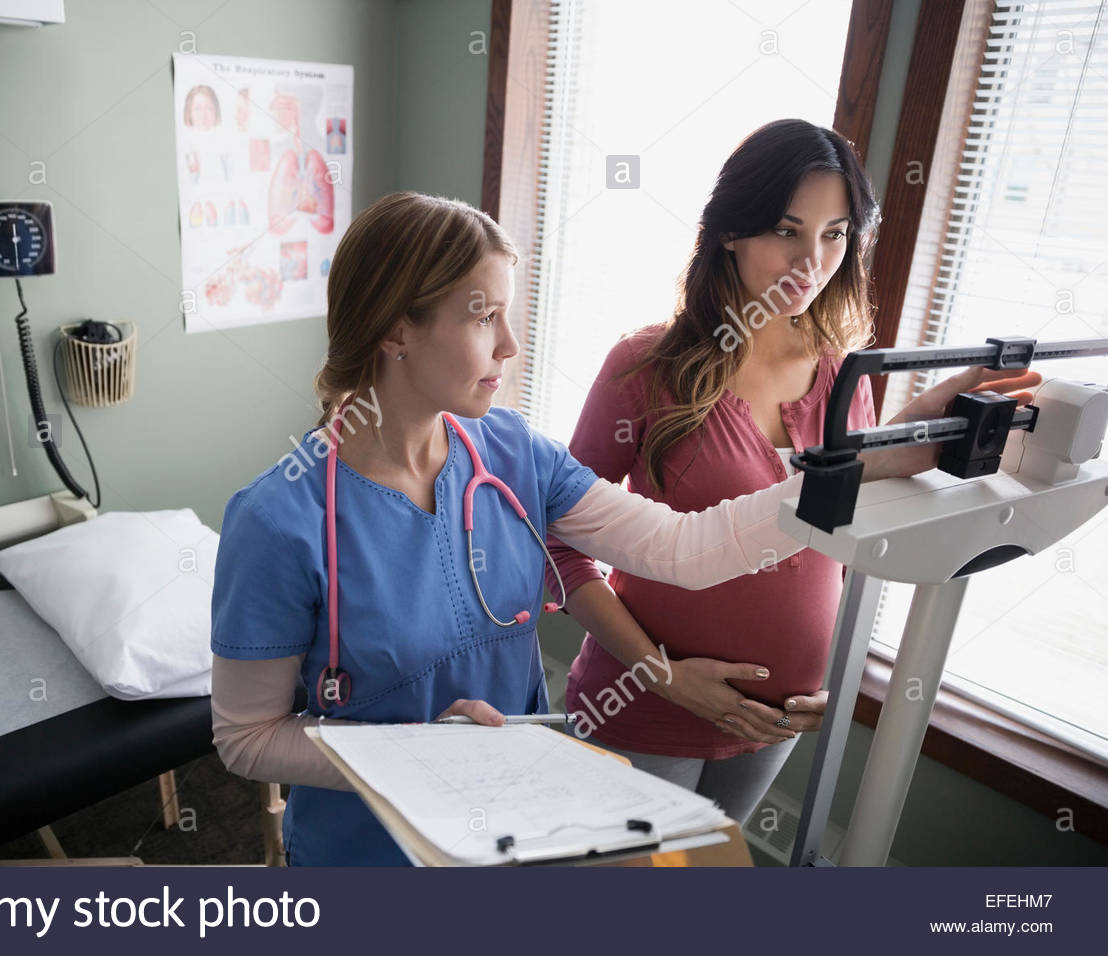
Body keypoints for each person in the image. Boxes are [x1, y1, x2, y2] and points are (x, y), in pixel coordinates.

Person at [209, 190, 1024, 866]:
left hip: (512, 837)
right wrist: (416, 755)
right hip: (370, 856)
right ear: (396, 330)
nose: (512, 345)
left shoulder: (512, 452)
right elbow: (246, 738)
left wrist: (887, 453)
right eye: (482, 316)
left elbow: (685, 548)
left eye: (510, 314)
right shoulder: (280, 520)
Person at [547, 119, 1040, 826]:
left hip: (777, 719)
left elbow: (845, 542)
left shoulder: (845, 375)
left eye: (836, 234)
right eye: (787, 229)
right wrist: (664, 676)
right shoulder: (645, 366)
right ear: (729, 231)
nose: (812, 259)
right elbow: (559, 541)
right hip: (643, 703)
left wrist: (834, 676)